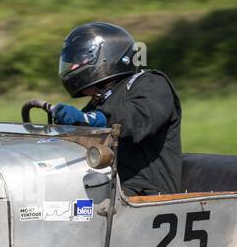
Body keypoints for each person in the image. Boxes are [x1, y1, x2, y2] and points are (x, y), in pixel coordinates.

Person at [51, 21, 182, 196]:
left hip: (145, 193)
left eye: (79, 61)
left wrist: (94, 120)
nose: (73, 67)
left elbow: (137, 116)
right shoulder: (99, 100)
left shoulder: (151, 83)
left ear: (108, 54)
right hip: (109, 186)